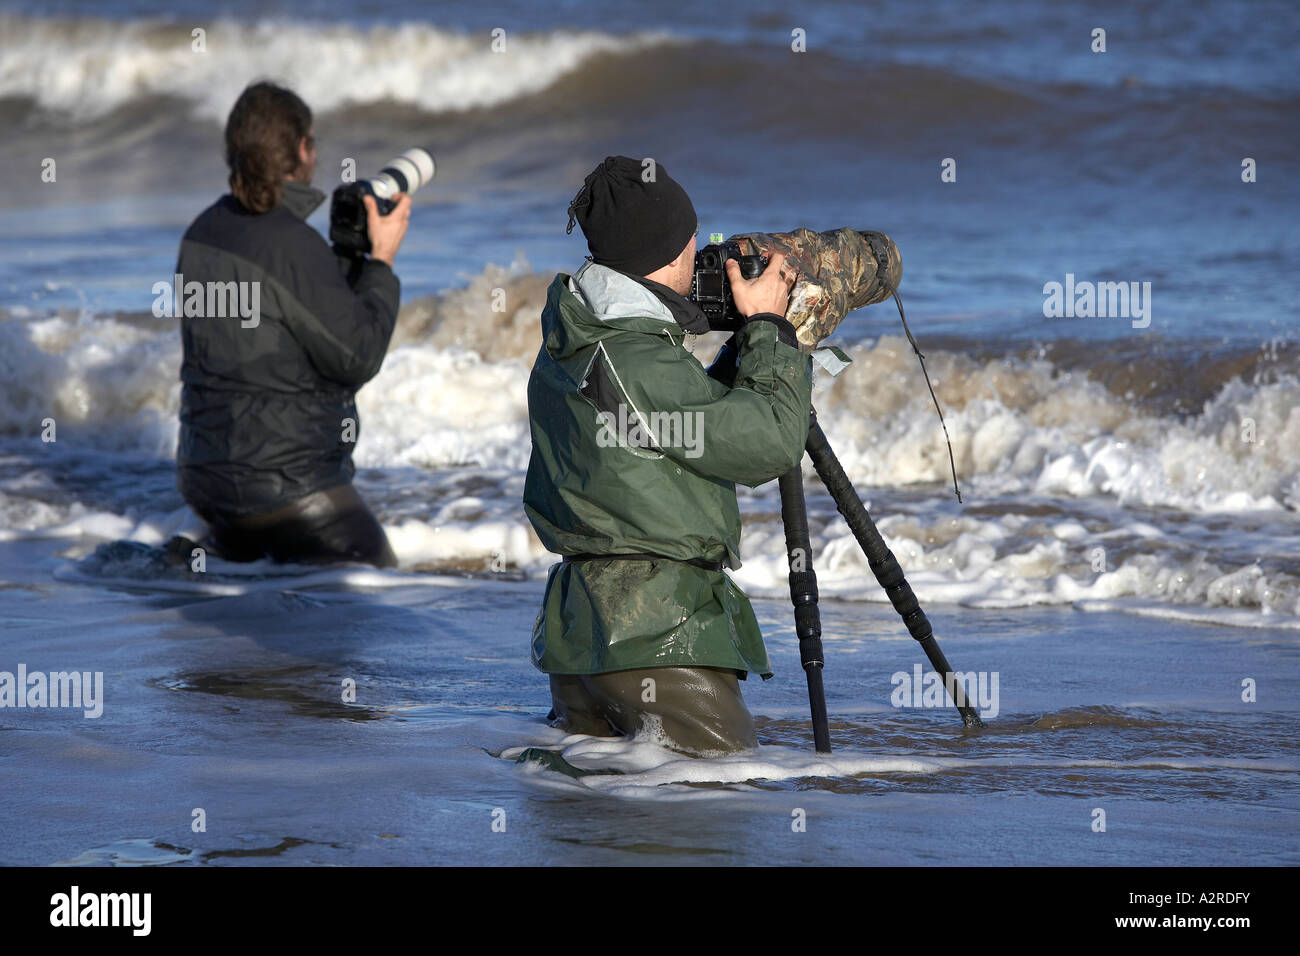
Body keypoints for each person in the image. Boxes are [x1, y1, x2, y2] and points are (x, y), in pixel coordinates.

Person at [523, 156, 813, 755]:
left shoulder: (572, 340)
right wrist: (769, 330)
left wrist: (741, 351)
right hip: (657, 638)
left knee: (605, 829)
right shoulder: (637, 359)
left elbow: (665, 428)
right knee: (714, 812)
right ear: (672, 251)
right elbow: (770, 442)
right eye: (694, 243)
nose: (701, 256)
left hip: (583, 641)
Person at [174, 81, 410, 567]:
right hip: (285, 495)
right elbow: (357, 357)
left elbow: (275, 328)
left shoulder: (201, 233)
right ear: (302, 150)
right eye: (313, 142)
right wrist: (381, 262)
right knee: (377, 582)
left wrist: (343, 258)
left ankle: (215, 549)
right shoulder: (293, 246)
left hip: (206, 483)